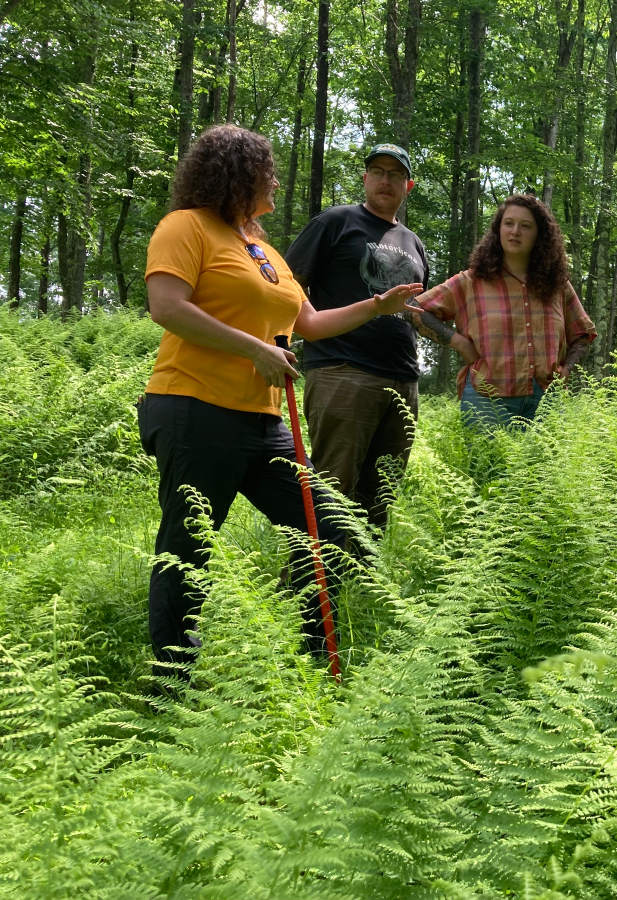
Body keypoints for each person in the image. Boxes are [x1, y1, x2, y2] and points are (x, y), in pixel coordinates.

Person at [139, 125, 423, 680]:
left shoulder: (263, 250)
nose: (273, 179)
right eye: (265, 171)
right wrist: (253, 348)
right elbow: (166, 307)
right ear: (236, 176)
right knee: (189, 544)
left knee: (330, 527)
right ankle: (171, 679)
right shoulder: (186, 228)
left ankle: (313, 655)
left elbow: (309, 324)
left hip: (264, 422)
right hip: (195, 406)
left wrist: (376, 305)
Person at [284, 143, 428, 528]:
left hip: (403, 379)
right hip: (343, 369)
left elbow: (415, 312)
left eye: (395, 174)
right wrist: (277, 339)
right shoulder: (336, 221)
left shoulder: (414, 243)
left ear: (407, 186)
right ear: (365, 179)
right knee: (333, 487)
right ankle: (306, 584)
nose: (386, 180)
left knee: (380, 494)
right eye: (378, 172)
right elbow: (286, 283)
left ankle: (359, 586)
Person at [399, 194, 596, 430]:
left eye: (526, 226)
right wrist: (460, 343)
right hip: (487, 399)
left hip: (547, 400)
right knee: (487, 468)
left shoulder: (558, 286)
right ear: (498, 229)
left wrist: (568, 370)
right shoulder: (471, 282)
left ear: (539, 235)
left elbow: (583, 333)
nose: (515, 231)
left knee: (546, 467)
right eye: (509, 223)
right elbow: (414, 310)